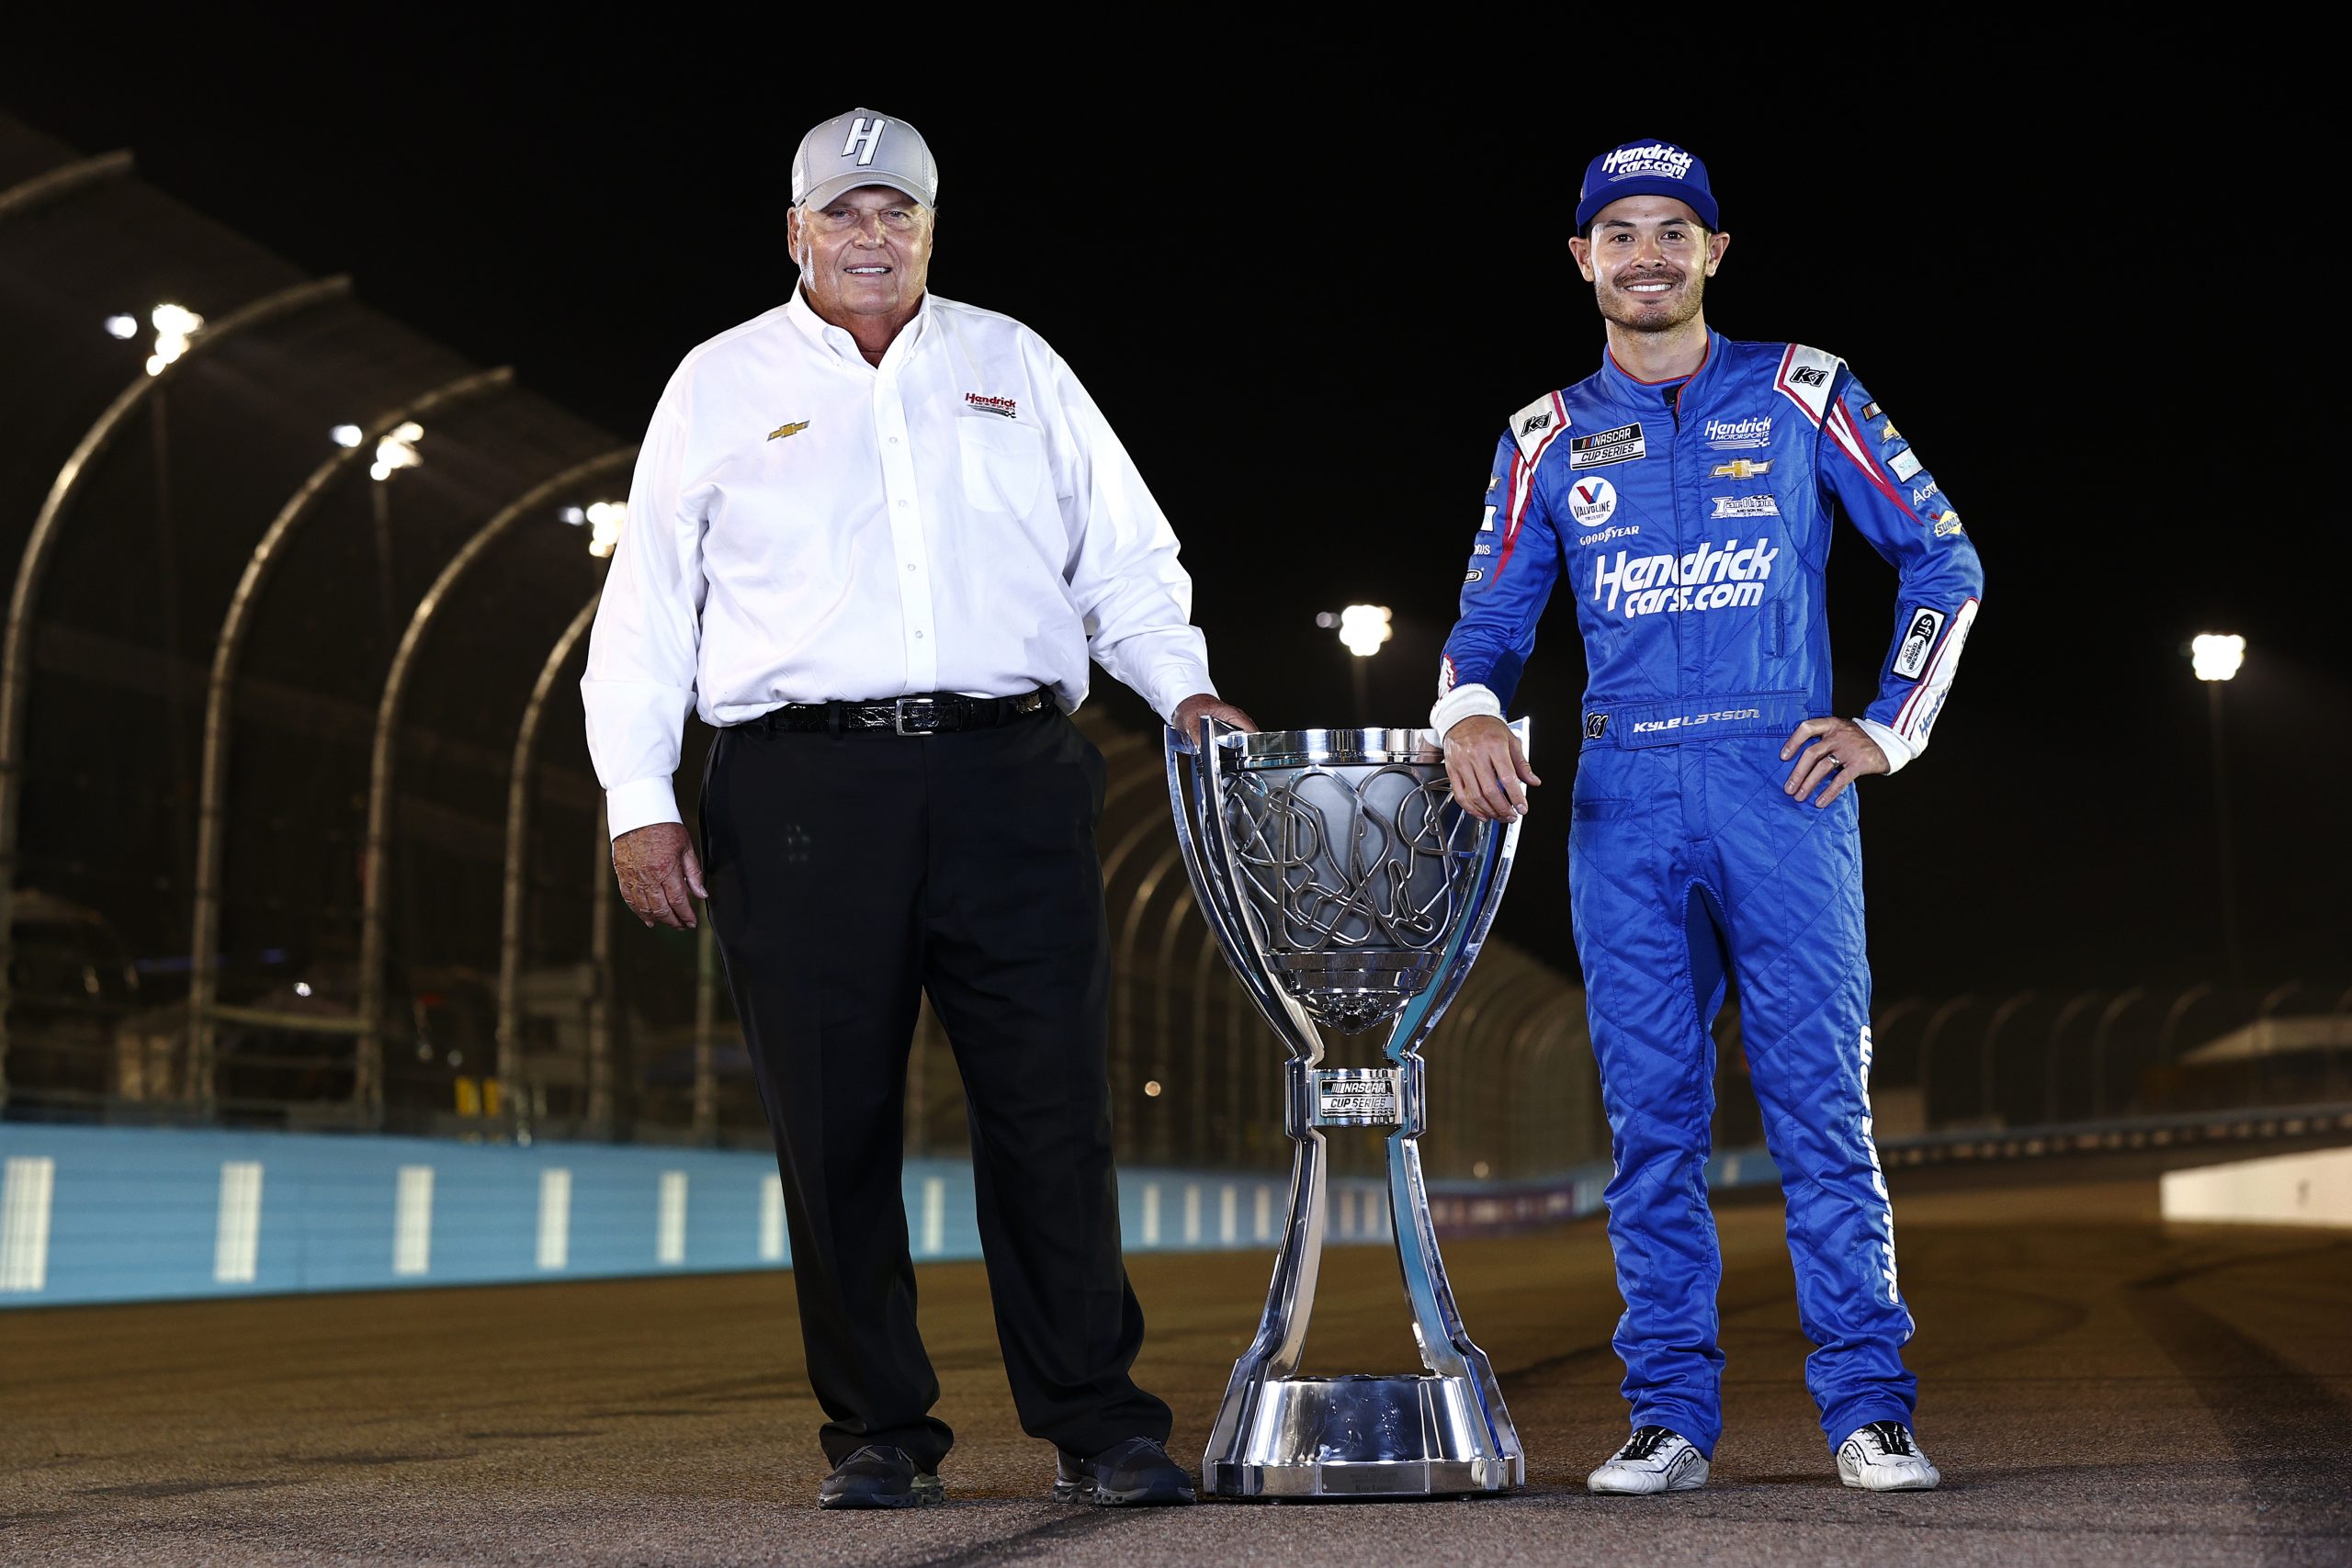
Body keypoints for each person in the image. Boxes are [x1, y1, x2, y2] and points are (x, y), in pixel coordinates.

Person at [582, 107, 1253, 1510]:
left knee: (1053, 1107)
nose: (869, 236)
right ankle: (880, 1431)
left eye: (896, 213)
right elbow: (647, 604)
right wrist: (639, 798)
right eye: (843, 213)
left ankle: (1099, 1422)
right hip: (799, 786)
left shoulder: (1019, 363)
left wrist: (1181, 691)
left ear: (933, 230)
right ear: (796, 233)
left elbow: (1124, 558)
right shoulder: (717, 381)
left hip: (1011, 770)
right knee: (831, 1120)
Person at [1432, 137, 1983, 1495]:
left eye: (1674, 230)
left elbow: (1941, 555)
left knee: (1819, 1110)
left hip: (1780, 789)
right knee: (1653, 1122)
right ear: (1583, 260)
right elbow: (1490, 622)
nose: (1647, 254)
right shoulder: (1543, 436)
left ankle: (1868, 1409)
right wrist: (1470, 716)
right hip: (1623, 803)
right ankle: (1669, 1416)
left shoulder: (1805, 390)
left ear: (1715, 253)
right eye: (1619, 232)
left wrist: (1888, 726)